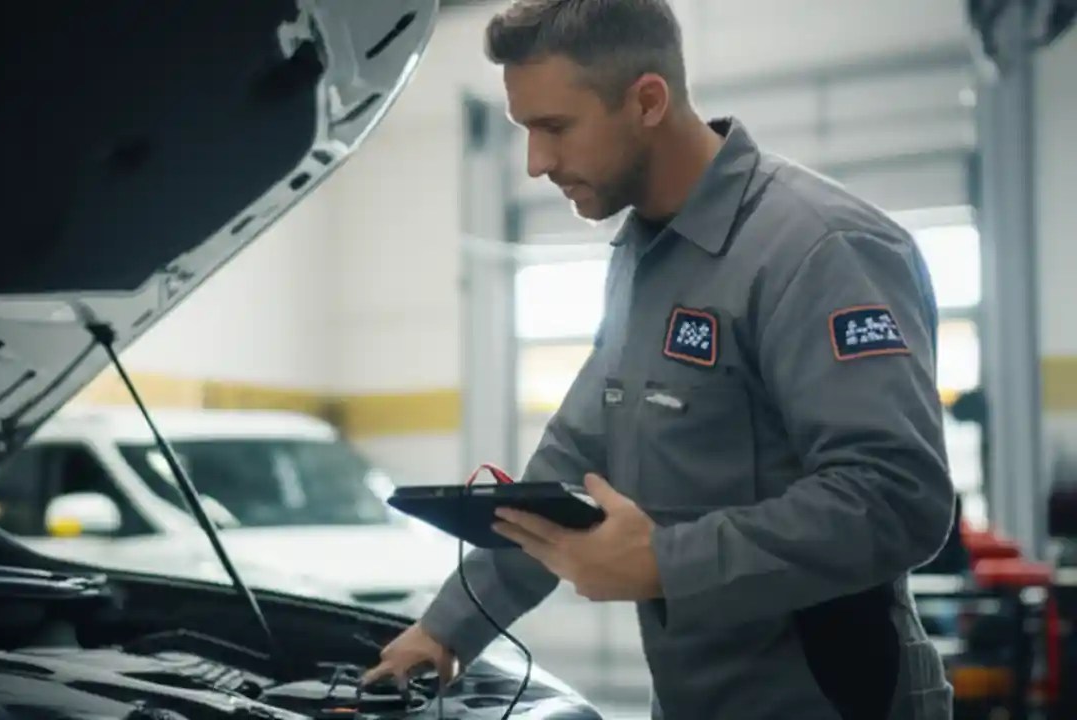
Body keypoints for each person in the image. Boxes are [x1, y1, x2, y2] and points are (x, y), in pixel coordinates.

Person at [362, 1, 956, 717]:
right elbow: (570, 464)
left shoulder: (817, 249)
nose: (536, 163)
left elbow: (898, 496)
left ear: (647, 100)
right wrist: (445, 629)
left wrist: (663, 562)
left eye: (555, 128)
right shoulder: (644, 256)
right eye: (526, 132)